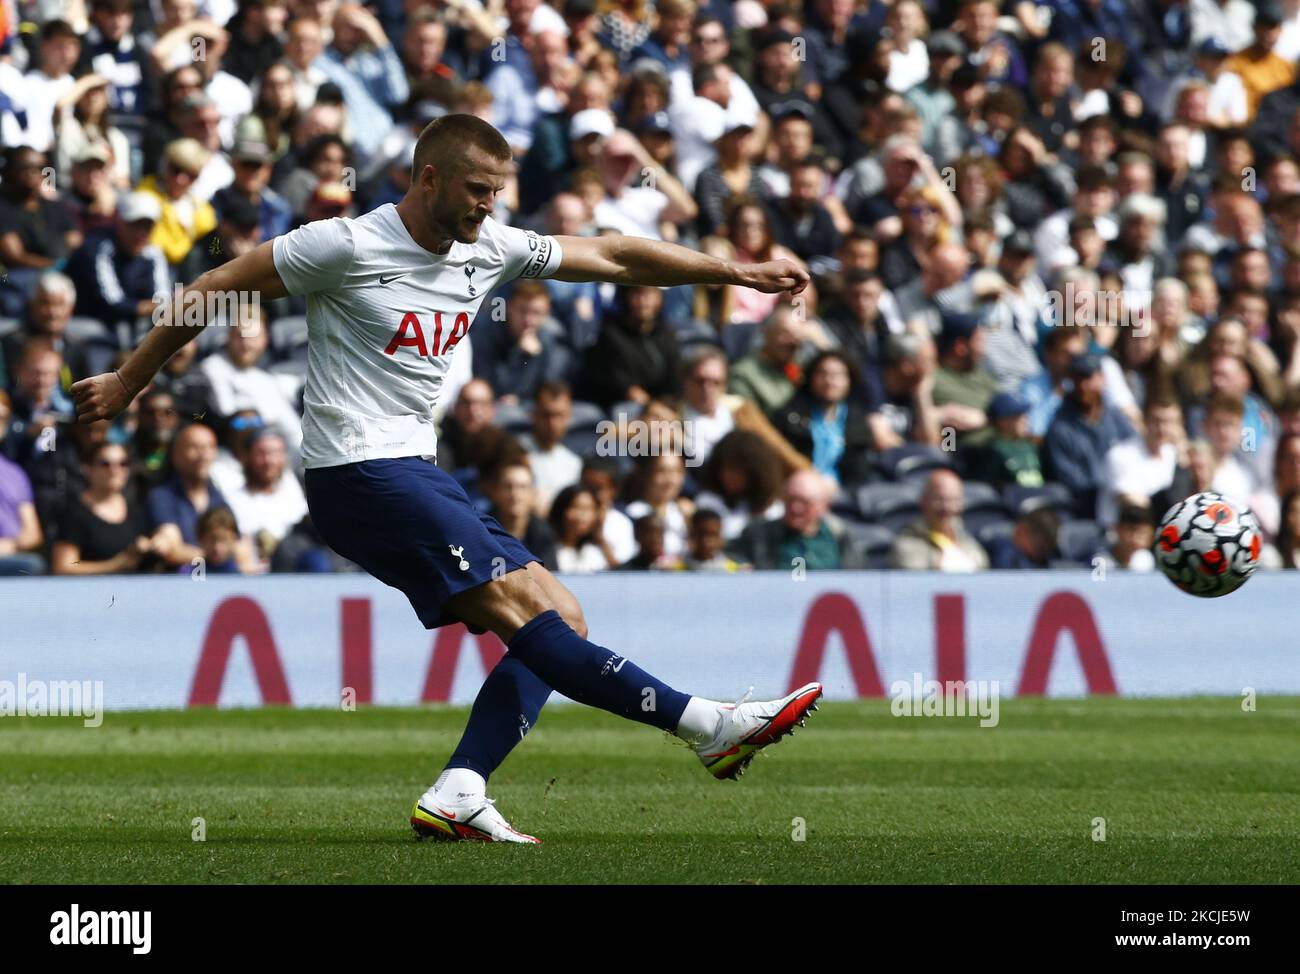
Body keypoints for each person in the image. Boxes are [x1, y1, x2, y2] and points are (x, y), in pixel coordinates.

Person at [72, 112, 821, 844]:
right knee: (530, 614)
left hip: (412, 469)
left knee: (562, 615)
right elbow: (213, 285)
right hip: (358, 471)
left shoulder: (489, 244)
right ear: (429, 178)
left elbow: (619, 256)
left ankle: (460, 789)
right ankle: (709, 725)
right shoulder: (346, 244)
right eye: (476, 189)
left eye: (497, 191)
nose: (488, 205)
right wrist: (130, 381)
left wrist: (735, 270)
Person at [888, 468, 990, 571]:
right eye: (940, 500)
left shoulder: (966, 540)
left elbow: (983, 568)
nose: (947, 508)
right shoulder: (906, 543)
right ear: (923, 501)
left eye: (954, 500)